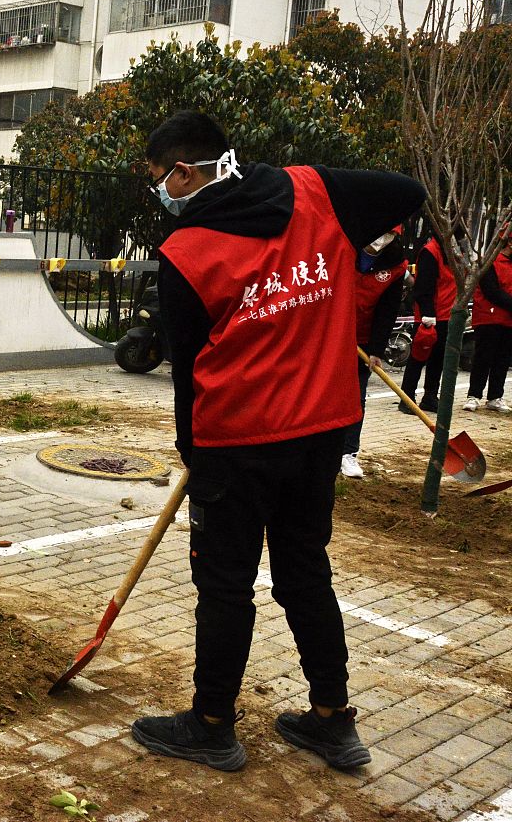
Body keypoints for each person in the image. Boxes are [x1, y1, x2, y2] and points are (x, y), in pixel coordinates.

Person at [131, 111, 426, 773]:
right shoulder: (314, 192)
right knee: (304, 571)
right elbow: (406, 191)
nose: (160, 194)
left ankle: (211, 725)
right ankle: (331, 720)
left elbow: (187, 373)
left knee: (226, 583)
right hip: (320, 433)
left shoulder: (185, 253)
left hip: (235, 444)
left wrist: (194, 451)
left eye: (159, 181)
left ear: (184, 172)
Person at [341, 226, 408, 478]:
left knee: (356, 397)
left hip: (363, 340)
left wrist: (376, 349)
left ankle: (349, 453)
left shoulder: (395, 265)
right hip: (329, 333)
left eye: (388, 234)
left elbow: (387, 310)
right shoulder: (345, 246)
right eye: (379, 230)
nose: (380, 238)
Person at [398, 232, 457, 415]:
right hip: (429, 316)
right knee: (418, 357)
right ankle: (406, 397)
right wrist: (428, 315)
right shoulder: (430, 252)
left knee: (438, 358)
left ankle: (430, 396)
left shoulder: (453, 251)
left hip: (447, 314)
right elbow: (423, 288)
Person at [463, 230, 512, 413]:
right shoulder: (489, 262)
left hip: (508, 320)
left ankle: (495, 396)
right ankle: (474, 395)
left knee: (502, 359)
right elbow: (491, 291)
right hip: (488, 317)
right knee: (483, 357)